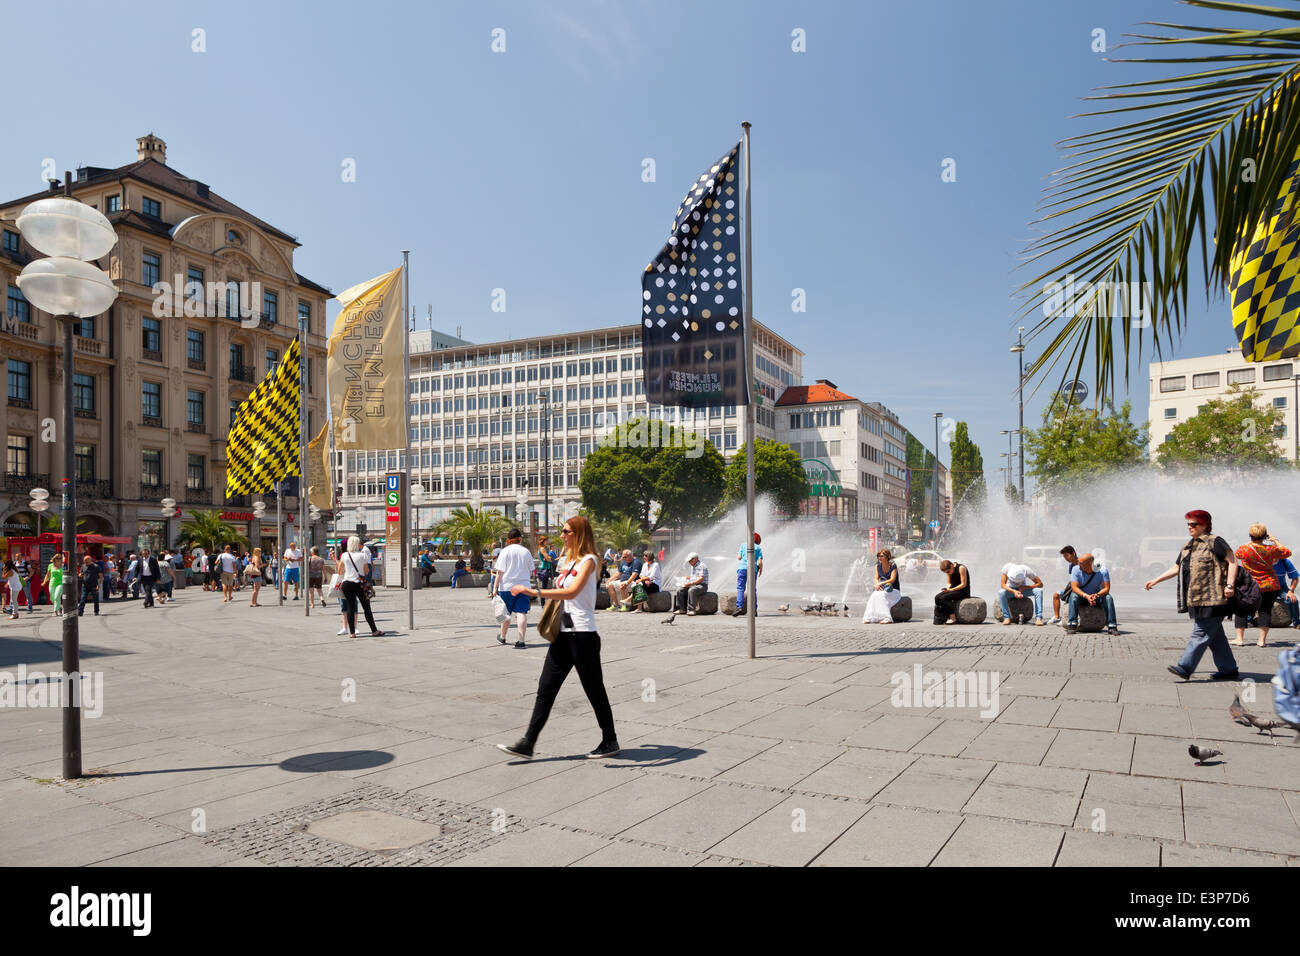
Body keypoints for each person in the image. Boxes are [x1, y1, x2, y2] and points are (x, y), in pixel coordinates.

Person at [498, 515, 619, 760]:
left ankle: (610, 740)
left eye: (566, 532)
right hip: (563, 634)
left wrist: (533, 591)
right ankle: (527, 743)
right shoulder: (570, 561)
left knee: (594, 690)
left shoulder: (590, 560)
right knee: (546, 688)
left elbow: (572, 592)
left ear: (578, 534)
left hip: (583, 635)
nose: (562, 536)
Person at [1145, 509, 1240, 681]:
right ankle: (1228, 669)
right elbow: (1177, 567)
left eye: (1194, 524)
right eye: (1188, 524)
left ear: (1205, 525)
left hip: (1214, 598)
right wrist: (1156, 580)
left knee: (1201, 633)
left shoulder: (1215, 542)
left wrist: (1230, 585)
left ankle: (1185, 667)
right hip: (1196, 599)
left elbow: (1233, 561)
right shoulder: (1188, 546)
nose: (1190, 527)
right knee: (1216, 637)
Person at [1233, 523, 1291, 648]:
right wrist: (1275, 540)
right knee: (1265, 611)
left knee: (1241, 610)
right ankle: (1262, 640)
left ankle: (1239, 639)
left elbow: (1237, 554)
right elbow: (1287, 553)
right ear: (1265, 536)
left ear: (1250, 535)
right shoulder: (1271, 549)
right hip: (1270, 585)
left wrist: (1249, 543)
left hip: (1250, 586)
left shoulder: (1245, 549)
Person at [492, 528, 535, 648]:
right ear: (520, 539)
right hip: (523, 587)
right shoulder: (526, 551)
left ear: (508, 540)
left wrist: (494, 588)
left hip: (506, 587)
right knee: (521, 613)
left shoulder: (505, 551)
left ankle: (502, 637)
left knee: (505, 613)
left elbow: (500, 572)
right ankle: (521, 641)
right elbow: (531, 570)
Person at [336, 535, 383, 638]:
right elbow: (366, 571)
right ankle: (374, 631)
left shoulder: (344, 555)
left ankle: (352, 633)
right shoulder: (362, 556)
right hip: (359, 584)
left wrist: (348, 572)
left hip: (346, 584)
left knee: (350, 608)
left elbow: (339, 571)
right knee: (366, 607)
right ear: (357, 544)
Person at [1065, 552, 1118, 635]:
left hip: (1097, 597)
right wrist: (1086, 596)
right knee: (1073, 596)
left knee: (1108, 598)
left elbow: (1106, 588)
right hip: (1082, 596)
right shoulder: (1075, 569)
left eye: (1081, 563)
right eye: (1079, 562)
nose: (1078, 564)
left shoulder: (1102, 570)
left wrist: (1097, 595)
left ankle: (1112, 626)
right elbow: (1074, 587)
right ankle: (1072, 624)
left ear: (1090, 564)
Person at [998, 560, 1045, 626]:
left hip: (1023, 590)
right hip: (1011, 590)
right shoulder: (1006, 568)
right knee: (1001, 592)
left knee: (1038, 591)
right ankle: (1006, 618)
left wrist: (1026, 587)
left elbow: (1040, 584)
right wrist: (1013, 591)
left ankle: (1038, 618)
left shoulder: (1027, 570)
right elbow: (1003, 585)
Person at [862, 548, 902, 624]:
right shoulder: (877, 566)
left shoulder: (893, 566)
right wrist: (877, 585)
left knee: (883, 595)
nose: (879, 558)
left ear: (887, 557)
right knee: (874, 595)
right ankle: (869, 617)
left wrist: (880, 584)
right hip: (883, 589)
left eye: (881, 556)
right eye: (878, 556)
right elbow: (876, 578)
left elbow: (892, 579)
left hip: (894, 590)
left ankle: (887, 618)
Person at [733, 532, 763, 616]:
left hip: (742, 569)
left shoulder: (743, 545)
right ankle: (754, 610)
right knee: (752, 590)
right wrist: (760, 570)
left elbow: (739, 557)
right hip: (753, 570)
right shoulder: (758, 548)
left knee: (740, 588)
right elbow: (760, 562)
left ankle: (739, 607)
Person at [933, 559, 970, 625]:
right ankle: (941, 617)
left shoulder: (961, 568)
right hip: (953, 590)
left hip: (963, 591)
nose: (948, 573)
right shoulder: (948, 570)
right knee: (937, 597)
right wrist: (946, 589)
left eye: (948, 571)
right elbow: (949, 583)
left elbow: (963, 584)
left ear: (951, 565)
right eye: (946, 572)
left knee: (944, 598)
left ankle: (953, 618)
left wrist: (951, 590)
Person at [1049, 545, 1080, 624]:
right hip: (1073, 587)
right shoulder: (1071, 565)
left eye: (1067, 555)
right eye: (1064, 556)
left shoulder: (1081, 563)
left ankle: (1067, 619)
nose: (1066, 558)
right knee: (1056, 595)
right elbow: (1072, 580)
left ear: (1073, 553)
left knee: (1071, 597)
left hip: (1081, 588)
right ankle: (1057, 617)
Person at [1274, 553, 1300, 628]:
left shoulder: (1284, 562)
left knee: (1292, 599)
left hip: (1281, 587)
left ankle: (1297, 623)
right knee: (1252, 598)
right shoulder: (1263, 561)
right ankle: (1248, 620)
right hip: (1265, 587)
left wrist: (1291, 591)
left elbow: (1295, 578)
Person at [42, 552, 66, 617]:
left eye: (60, 558)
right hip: (52, 583)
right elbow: (48, 575)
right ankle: (59, 608)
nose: (59, 559)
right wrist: (44, 582)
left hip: (61, 583)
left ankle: (55, 611)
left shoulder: (64, 566)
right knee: (52, 598)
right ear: (54, 559)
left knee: (56, 596)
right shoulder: (50, 565)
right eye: (57, 558)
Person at [535, 535, 556, 605]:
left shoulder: (544, 548)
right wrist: (548, 558)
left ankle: (543, 603)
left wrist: (548, 558)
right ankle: (543, 603)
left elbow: (548, 558)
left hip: (546, 568)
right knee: (543, 587)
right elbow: (548, 558)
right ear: (543, 541)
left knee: (545, 586)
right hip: (544, 568)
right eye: (546, 541)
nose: (547, 542)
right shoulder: (542, 549)